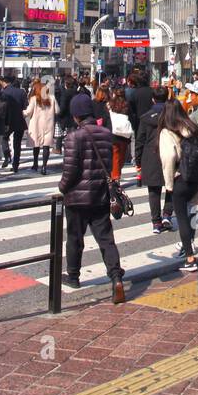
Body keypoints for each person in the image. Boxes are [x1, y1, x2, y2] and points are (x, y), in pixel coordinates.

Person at [59, 94, 126, 302]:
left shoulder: (73, 137)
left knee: (74, 238)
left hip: (77, 197)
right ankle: (116, 277)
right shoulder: (106, 134)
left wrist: (62, 187)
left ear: (76, 115)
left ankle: (73, 276)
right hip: (99, 194)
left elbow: (70, 171)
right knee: (106, 239)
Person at [159, 100, 198, 273]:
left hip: (180, 177)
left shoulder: (167, 131)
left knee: (182, 218)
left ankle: (190, 257)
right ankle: (193, 245)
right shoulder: (192, 128)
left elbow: (169, 156)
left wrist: (169, 184)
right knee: (193, 211)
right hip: (196, 176)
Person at [136, 86, 173, 233]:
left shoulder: (146, 117)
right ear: (167, 97)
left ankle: (156, 222)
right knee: (171, 185)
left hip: (151, 153)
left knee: (154, 189)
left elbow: (140, 140)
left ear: (153, 99)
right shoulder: (173, 115)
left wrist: (138, 160)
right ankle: (167, 214)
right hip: (171, 152)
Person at [23, 78, 56, 174]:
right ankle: (44, 167)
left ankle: (35, 163)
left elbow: (28, 112)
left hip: (36, 125)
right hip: (48, 125)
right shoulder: (52, 98)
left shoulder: (34, 99)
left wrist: (21, 112)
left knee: (36, 145)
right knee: (46, 146)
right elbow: (57, 110)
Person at [2, 76, 29, 171]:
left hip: (7, 120)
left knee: (4, 138)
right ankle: (15, 165)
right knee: (17, 144)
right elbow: (26, 106)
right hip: (19, 119)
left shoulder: (3, 92)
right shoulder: (21, 92)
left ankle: (7, 155)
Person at [107, 89, 133, 180]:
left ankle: (115, 175)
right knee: (122, 155)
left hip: (114, 131)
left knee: (115, 155)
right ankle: (117, 174)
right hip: (124, 133)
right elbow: (131, 116)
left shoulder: (111, 104)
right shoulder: (127, 104)